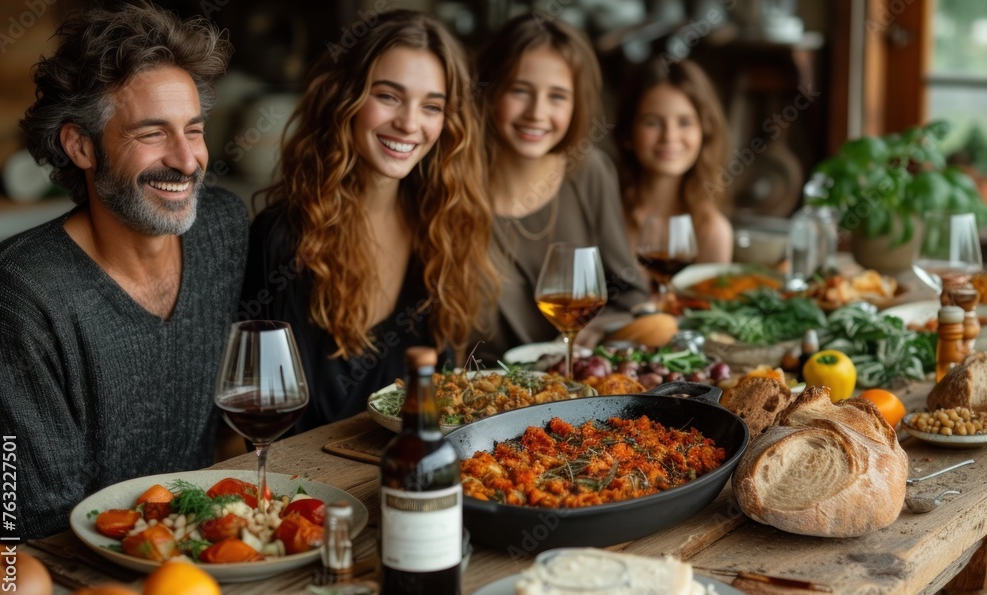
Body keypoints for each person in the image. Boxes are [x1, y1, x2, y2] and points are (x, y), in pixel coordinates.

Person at [0, 3, 247, 540]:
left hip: (205, 549)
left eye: (193, 130)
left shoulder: (222, 229)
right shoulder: (19, 292)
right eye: (153, 134)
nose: (186, 160)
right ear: (81, 146)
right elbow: (33, 522)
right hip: (80, 573)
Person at [243, 10, 497, 431]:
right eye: (388, 96)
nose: (409, 123)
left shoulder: (444, 229)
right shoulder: (283, 237)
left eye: (431, 106)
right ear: (344, 98)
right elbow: (263, 421)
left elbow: (445, 400)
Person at [473, 13, 649, 364]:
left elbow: (627, 293)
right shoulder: (451, 179)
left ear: (577, 105)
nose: (537, 112)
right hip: (473, 385)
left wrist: (593, 333)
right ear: (489, 91)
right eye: (520, 90)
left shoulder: (590, 171)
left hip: (566, 380)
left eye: (557, 96)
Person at [615, 58, 733, 264]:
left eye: (685, 122)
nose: (669, 137)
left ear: (705, 132)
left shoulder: (712, 231)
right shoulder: (605, 209)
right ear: (628, 133)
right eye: (653, 122)